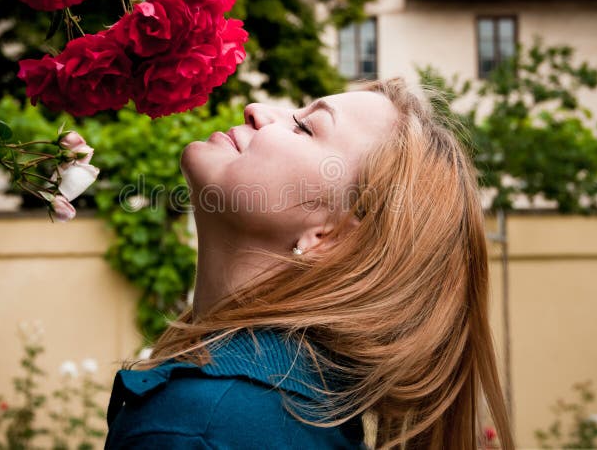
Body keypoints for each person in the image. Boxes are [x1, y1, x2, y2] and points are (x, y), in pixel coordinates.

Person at [105, 78, 515, 449]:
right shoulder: (295, 415)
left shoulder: (199, 425)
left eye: (304, 127)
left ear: (331, 237)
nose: (255, 110)